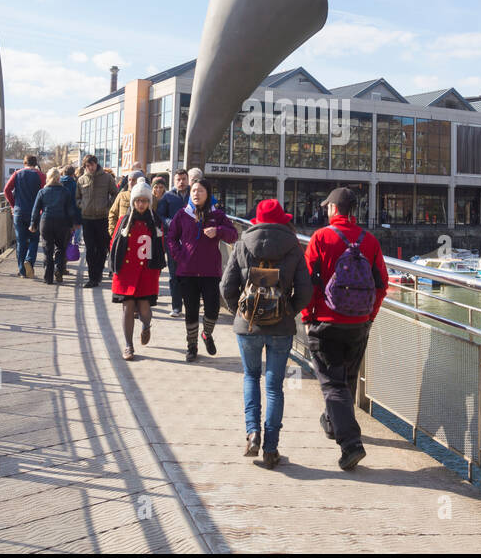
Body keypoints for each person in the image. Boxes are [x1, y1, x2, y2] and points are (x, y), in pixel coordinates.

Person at [221, 199, 313, 469]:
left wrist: (241, 310)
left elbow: (226, 286)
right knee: (274, 387)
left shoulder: (241, 244)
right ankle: (271, 448)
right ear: (282, 220)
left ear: (257, 219)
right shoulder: (294, 247)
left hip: (247, 325)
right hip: (280, 326)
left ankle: (252, 434)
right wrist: (288, 310)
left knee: (251, 376)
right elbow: (305, 291)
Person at [301, 187, 388, 471]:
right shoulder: (370, 241)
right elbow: (382, 284)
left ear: (334, 210)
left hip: (326, 321)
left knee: (332, 383)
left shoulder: (321, 237)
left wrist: (307, 314)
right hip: (359, 322)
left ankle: (351, 444)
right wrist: (370, 315)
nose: (325, 210)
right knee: (347, 378)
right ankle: (331, 422)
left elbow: (309, 282)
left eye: (328, 207)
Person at [165, 179, 237, 361]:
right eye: (194, 191)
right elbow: (171, 238)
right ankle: (192, 346)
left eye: (201, 191)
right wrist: (180, 256)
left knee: (212, 309)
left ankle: (206, 333)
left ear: (208, 194)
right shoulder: (182, 214)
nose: (196, 194)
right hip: (187, 271)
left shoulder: (217, 215)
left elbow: (233, 235)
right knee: (191, 310)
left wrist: (218, 230)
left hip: (210, 271)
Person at [109, 179, 165, 360]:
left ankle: (146, 326)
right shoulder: (125, 221)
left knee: (144, 310)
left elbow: (160, 247)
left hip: (147, 272)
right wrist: (114, 267)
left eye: (144, 201)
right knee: (127, 308)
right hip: (126, 272)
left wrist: (157, 270)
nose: (141, 204)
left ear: (149, 202)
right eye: (138, 201)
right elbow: (114, 244)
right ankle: (128, 346)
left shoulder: (155, 222)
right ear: (133, 202)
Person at [29, 167, 80, 285]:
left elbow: (36, 210)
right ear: (58, 178)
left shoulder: (42, 192)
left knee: (48, 249)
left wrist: (33, 224)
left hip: (46, 222)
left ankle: (48, 277)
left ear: (48, 178)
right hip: (62, 223)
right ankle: (58, 269)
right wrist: (73, 223)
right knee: (61, 248)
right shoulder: (65, 192)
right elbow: (70, 210)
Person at [78, 155, 118, 287]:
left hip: (102, 218)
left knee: (101, 249)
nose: (90, 168)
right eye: (87, 166)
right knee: (90, 249)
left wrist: (108, 206)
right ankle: (92, 278)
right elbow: (77, 197)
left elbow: (115, 194)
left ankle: (98, 273)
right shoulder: (81, 180)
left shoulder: (107, 178)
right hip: (87, 219)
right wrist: (82, 205)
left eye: (92, 165)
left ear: (96, 164)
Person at [155, 168, 191, 317]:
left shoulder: (194, 194)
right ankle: (176, 307)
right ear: (174, 181)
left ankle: (190, 306)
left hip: (192, 241)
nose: (181, 182)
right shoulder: (168, 197)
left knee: (191, 275)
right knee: (174, 274)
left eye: (184, 179)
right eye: (178, 179)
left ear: (188, 179)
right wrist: (170, 222)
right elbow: (160, 215)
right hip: (173, 240)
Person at [3, 156, 45, 277]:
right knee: (34, 239)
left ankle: (22, 271)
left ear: (24, 163)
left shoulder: (17, 174)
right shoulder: (41, 175)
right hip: (35, 213)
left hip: (19, 212)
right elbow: (43, 192)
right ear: (35, 163)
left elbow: (6, 190)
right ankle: (29, 261)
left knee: (20, 241)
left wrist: (13, 204)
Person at [108, 169, 144, 238]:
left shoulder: (148, 197)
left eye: (133, 180)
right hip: (122, 235)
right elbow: (113, 213)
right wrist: (113, 232)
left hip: (141, 235)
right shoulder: (122, 195)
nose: (130, 182)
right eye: (129, 180)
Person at [59, 164, 80, 277]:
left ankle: (57, 266)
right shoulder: (74, 185)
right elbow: (76, 204)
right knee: (66, 243)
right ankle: (62, 267)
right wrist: (77, 222)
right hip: (69, 219)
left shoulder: (57, 182)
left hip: (56, 217)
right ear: (73, 174)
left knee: (57, 244)